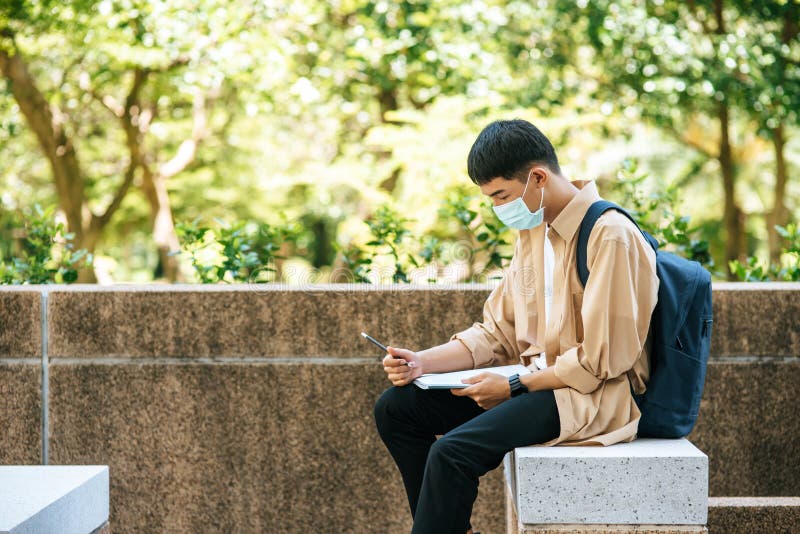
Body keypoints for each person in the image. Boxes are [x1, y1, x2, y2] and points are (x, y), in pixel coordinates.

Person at [373, 119, 660, 534]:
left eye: (502, 196)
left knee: (452, 454)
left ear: (538, 178)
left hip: (591, 396)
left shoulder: (609, 236)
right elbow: (497, 333)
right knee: (396, 409)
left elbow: (602, 360)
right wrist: (421, 363)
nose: (497, 208)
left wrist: (513, 387)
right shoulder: (533, 234)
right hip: (534, 383)